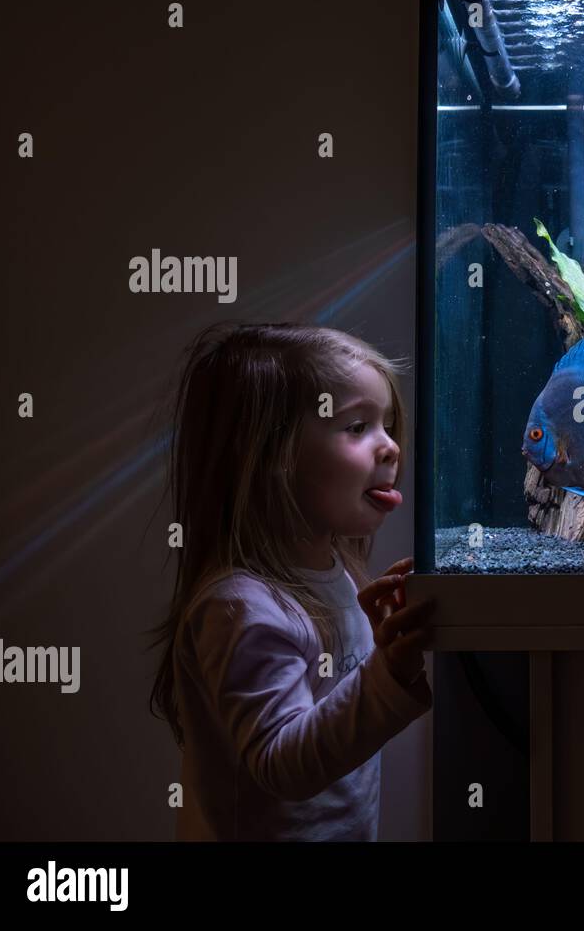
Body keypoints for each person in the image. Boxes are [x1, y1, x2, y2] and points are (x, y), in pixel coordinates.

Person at [146, 322, 435, 840]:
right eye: (356, 427)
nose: (390, 446)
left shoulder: (336, 577)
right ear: (271, 456)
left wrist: (379, 648)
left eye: (388, 425)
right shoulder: (239, 608)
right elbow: (284, 764)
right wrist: (386, 674)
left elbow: (331, 718)